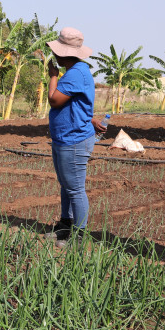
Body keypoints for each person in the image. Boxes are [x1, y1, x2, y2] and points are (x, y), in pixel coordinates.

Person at [45, 27, 105, 247]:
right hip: (65, 137)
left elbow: (54, 100)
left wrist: (53, 76)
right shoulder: (74, 71)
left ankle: (79, 235)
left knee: (75, 189)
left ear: (64, 53)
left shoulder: (76, 73)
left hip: (74, 140)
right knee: (66, 185)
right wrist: (91, 119)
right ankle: (65, 224)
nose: (54, 54)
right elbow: (78, 105)